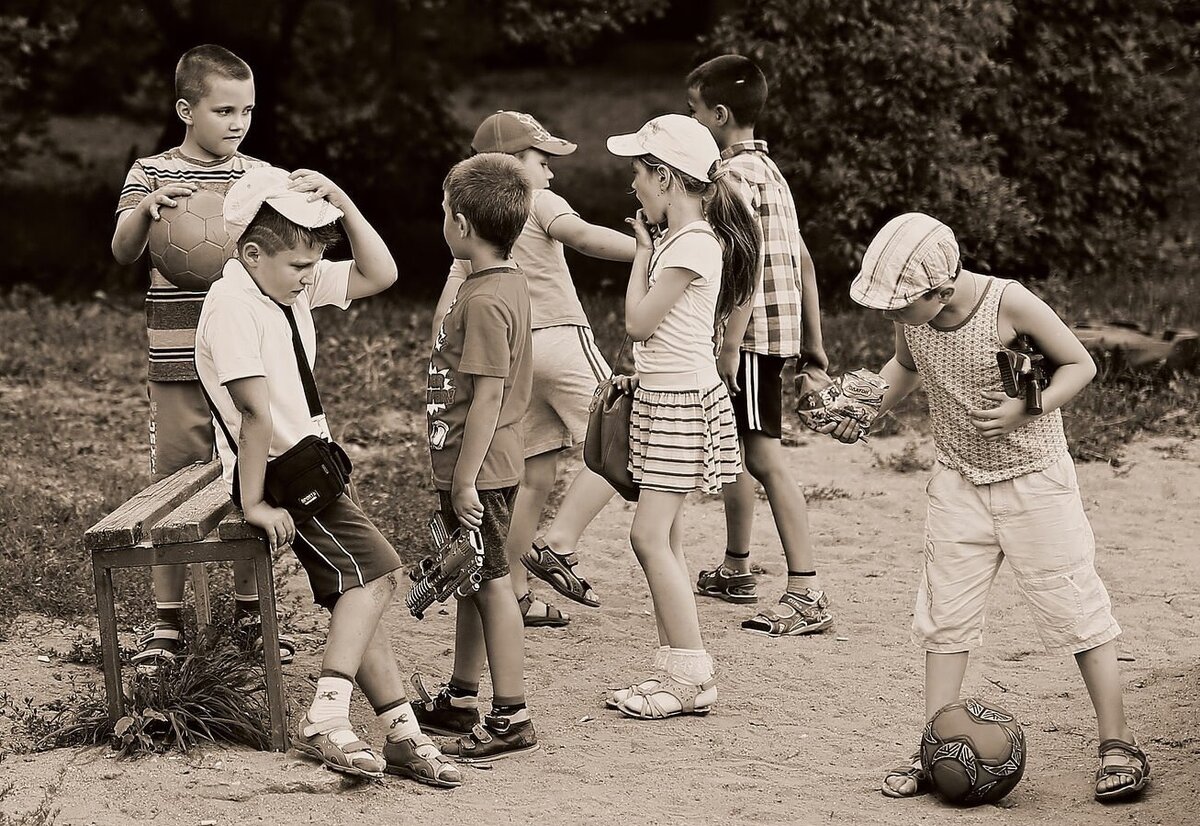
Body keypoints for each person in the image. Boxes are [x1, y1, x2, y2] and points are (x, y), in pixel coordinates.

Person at [825, 213, 1150, 803]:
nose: (890, 315)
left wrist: (1030, 407)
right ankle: (937, 747)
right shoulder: (914, 318)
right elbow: (904, 366)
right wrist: (868, 404)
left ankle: (1118, 743)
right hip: (958, 482)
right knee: (944, 617)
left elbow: (1082, 364)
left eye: (899, 305)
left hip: (1035, 482)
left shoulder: (1010, 302)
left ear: (942, 288)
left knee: (1075, 605)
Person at [195, 166, 461, 787]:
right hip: (282, 475)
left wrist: (340, 199)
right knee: (379, 576)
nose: (310, 278)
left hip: (308, 463)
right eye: (299, 266)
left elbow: (381, 273)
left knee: (357, 593)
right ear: (252, 252)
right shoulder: (234, 304)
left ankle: (400, 733)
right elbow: (254, 413)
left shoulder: (279, 285)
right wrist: (255, 504)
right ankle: (327, 717)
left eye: (315, 264)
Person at [110, 45, 293, 668]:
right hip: (178, 357)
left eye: (246, 109)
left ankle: (248, 609)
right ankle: (168, 622)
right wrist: (144, 212)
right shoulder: (152, 173)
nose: (238, 122)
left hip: (244, 360)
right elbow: (123, 251)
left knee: (250, 474)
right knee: (176, 482)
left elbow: (292, 247)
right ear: (187, 110)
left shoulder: (262, 178)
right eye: (223, 110)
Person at [431, 111, 637, 629]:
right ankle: (560, 541)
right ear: (512, 166)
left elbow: (449, 299)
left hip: (514, 357)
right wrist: (651, 252)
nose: (550, 175)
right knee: (628, 436)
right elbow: (584, 237)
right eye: (543, 162)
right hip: (563, 341)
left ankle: (517, 589)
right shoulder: (532, 198)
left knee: (535, 474)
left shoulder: (470, 222)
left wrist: (441, 355)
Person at [601, 114, 758, 719]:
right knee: (662, 536)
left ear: (666, 177)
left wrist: (640, 253)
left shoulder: (689, 244)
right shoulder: (686, 240)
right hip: (667, 395)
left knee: (648, 536)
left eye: (638, 173)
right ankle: (676, 669)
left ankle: (691, 676)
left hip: (679, 404)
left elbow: (638, 322)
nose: (633, 186)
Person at [685, 54, 835, 637]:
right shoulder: (771, 173)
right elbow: (802, 261)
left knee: (764, 458)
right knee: (745, 450)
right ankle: (737, 567)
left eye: (692, 111)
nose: (689, 118)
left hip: (747, 341)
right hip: (774, 337)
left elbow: (742, 268)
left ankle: (805, 591)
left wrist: (728, 346)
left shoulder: (729, 180)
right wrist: (814, 347)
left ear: (718, 115)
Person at [413, 153, 539, 762]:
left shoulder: (488, 299)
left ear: (461, 224)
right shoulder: (497, 282)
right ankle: (463, 698)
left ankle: (511, 713)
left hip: (479, 472)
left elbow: (488, 395)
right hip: (474, 467)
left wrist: (464, 481)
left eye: (444, 211)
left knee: (492, 585)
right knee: (470, 578)